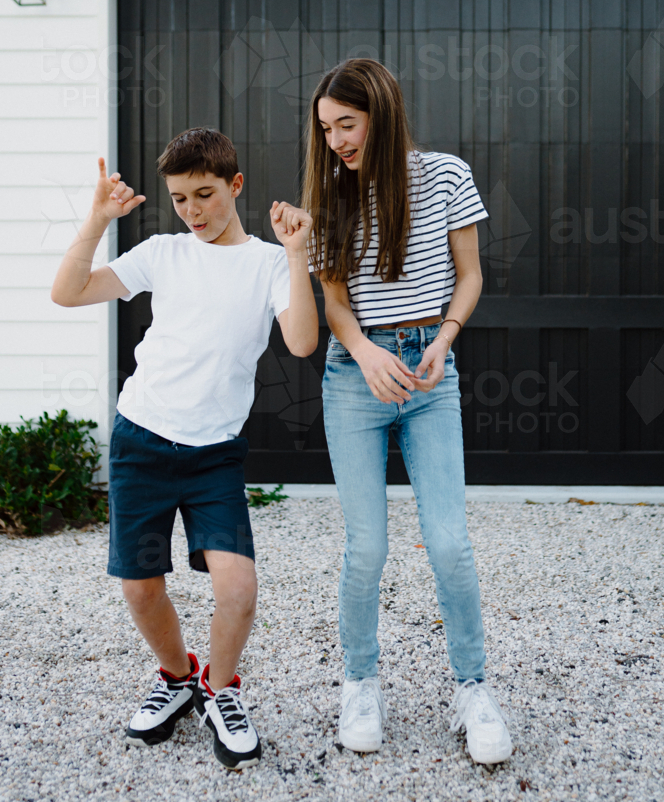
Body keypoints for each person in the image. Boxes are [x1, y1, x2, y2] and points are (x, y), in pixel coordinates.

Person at [51, 128, 318, 770]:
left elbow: (304, 342)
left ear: (236, 185)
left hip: (213, 456)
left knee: (238, 588)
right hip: (140, 440)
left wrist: (297, 256)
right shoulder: (162, 252)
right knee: (141, 589)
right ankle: (177, 677)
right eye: (179, 199)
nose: (193, 210)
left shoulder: (266, 264)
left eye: (205, 194)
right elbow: (68, 292)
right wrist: (96, 218)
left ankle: (221, 690)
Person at [302, 59, 512, 765]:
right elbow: (333, 301)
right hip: (355, 377)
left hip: (429, 372)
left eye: (347, 124)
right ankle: (359, 683)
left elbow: (470, 272)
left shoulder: (446, 175)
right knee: (367, 547)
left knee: (448, 541)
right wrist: (363, 351)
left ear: (380, 115)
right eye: (326, 128)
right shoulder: (330, 193)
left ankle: (473, 689)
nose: (334, 140)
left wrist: (444, 339)